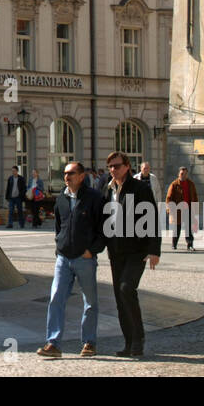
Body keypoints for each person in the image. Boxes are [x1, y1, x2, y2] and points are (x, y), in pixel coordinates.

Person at [37, 162, 106, 359]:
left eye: (71, 173)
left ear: (82, 176)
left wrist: (91, 251)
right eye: (65, 173)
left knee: (90, 301)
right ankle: (53, 343)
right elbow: (59, 227)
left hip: (84, 258)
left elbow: (103, 230)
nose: (67, 177)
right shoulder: (62, 198)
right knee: (56, 299)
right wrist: (59, 247)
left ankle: (89, 343)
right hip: (64, 258)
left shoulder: (94, 198)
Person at [102, 150, 160, 357]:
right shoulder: (107, 189)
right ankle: (129, 342)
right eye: (110, 166)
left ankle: (138, 338)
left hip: (137, 250)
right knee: (119, 297)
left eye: (116, 166)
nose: (112, 170)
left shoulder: (140, 188)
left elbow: (152, 218)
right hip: (116, 251)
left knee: (127, 288)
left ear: (127, 166)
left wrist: (154, 250)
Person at [165, 166, 199, 252]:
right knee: (177, 228)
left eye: (185, 174)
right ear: (178, 174)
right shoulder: (174, 184)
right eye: (181, 173)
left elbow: (195, 197)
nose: (183, 175)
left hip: (189, 209)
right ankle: (174, 244)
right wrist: (170, 210)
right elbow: (169, 198)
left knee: (189, 228)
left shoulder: (191, 184)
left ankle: (190, 245)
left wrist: (195, 209)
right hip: (178, 210)